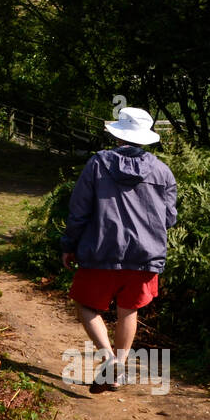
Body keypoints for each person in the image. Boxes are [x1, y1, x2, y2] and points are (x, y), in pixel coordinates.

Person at [60, 106, 177, 392]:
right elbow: (170, 218)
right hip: (145, 255)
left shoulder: (98, 164)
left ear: (118, 135)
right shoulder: (162, 171)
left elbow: (79, 210)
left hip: (100, 251)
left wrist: (68, 244)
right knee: (129, 309)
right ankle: (117, 370)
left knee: (85, 304)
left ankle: (109, 358)